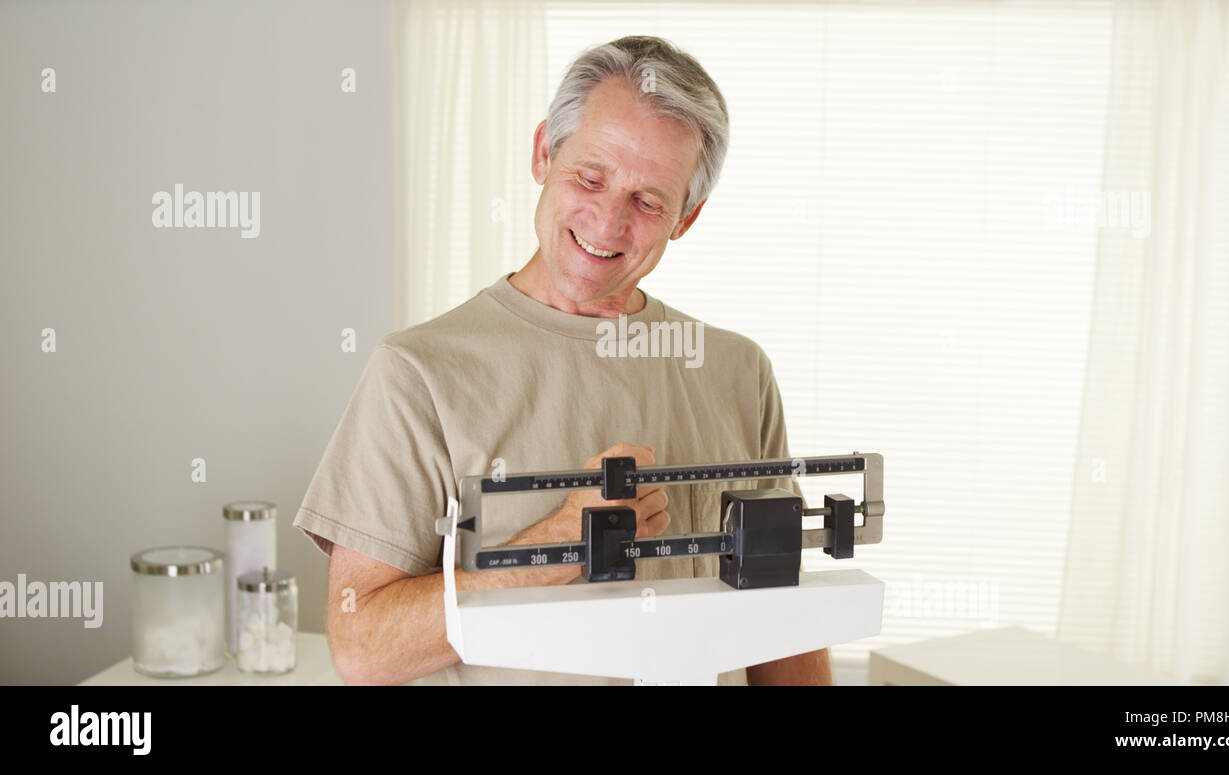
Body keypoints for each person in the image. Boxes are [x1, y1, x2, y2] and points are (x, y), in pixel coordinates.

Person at [294, 35, 831, 685]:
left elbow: (781, 623)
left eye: (647, 200)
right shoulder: (418, 372)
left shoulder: (737, 373)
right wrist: (560, 545)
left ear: (685, 217)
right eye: (590, 177)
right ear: (544, 152)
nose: (607, 223)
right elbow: (362, 644)